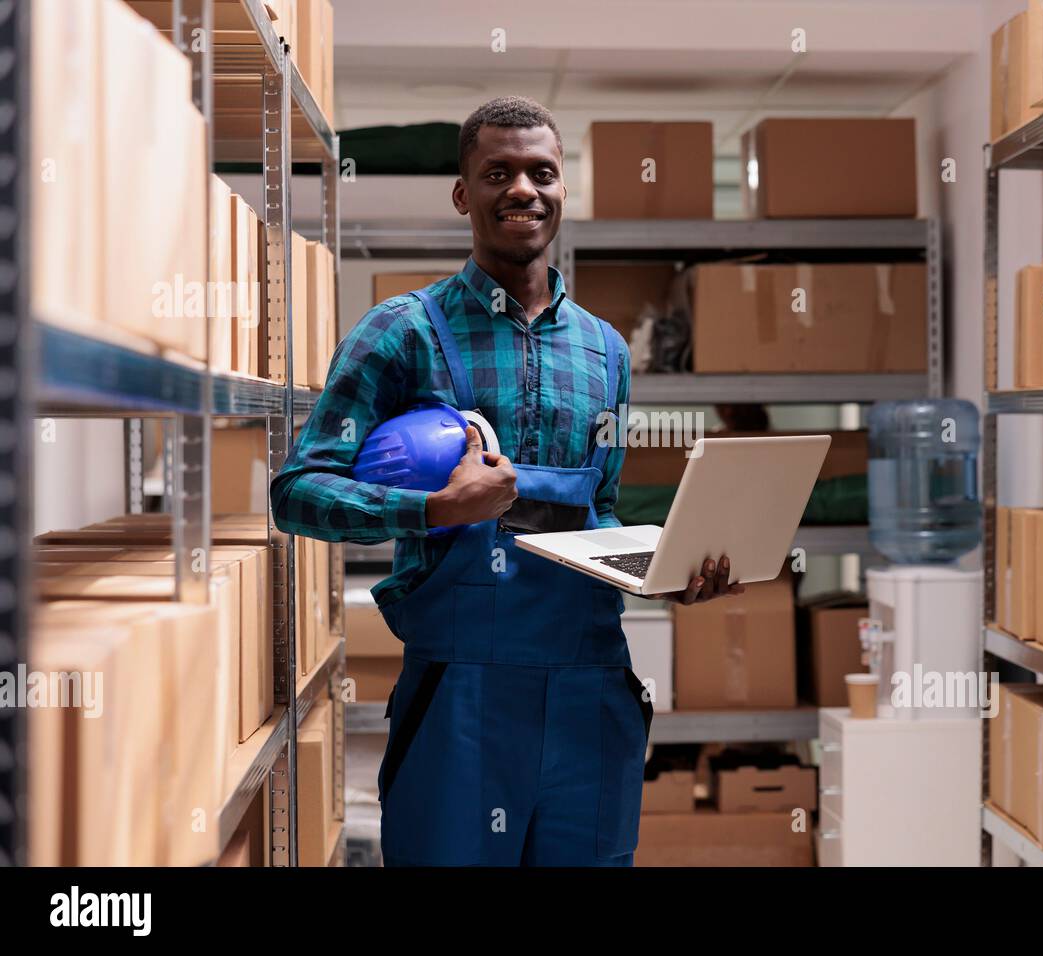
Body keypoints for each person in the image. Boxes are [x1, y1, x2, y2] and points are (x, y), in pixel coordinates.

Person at [271, 95, 743, 866]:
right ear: (464, 194)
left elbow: (599, 512)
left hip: (591, 692)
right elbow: (297, 490)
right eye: (499, 173)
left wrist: (665, 572)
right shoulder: (401, 332)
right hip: (462, 697)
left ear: (563, 191)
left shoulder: (605, 352)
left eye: (542, 173)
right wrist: (431, 508)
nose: (523, 189)